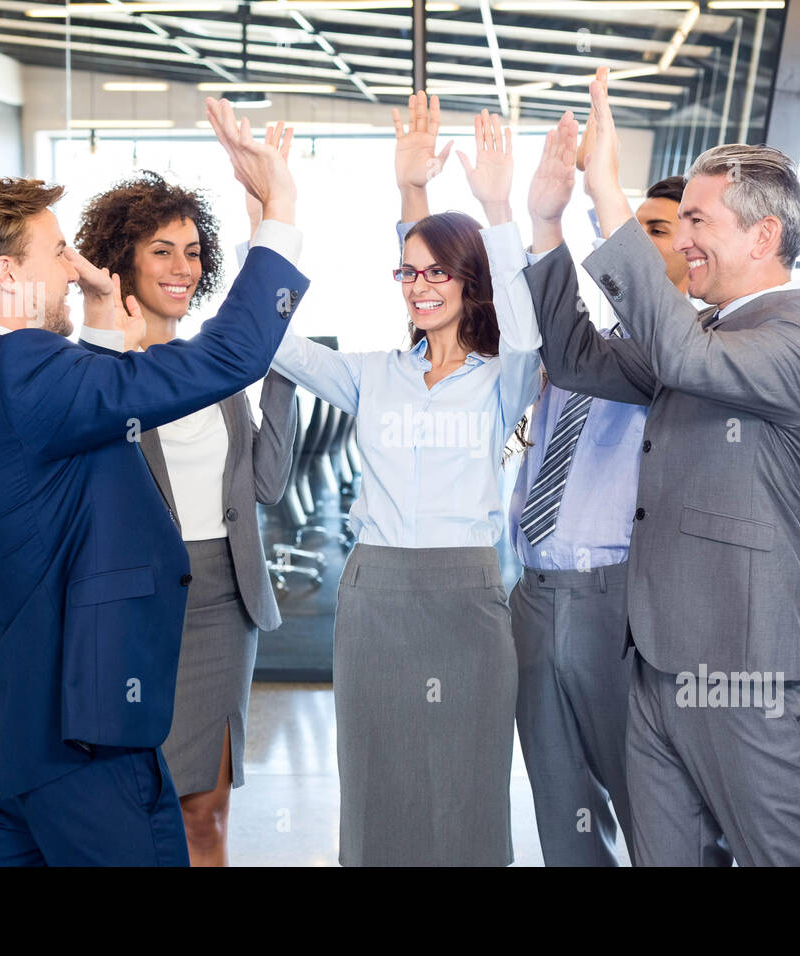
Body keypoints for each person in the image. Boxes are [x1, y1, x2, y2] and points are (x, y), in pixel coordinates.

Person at [0, 99, 308, 865]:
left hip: (4, 732)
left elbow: (84, 433)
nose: (75, 265)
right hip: (84, 733)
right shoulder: (29, 373)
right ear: (7, 272)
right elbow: (227, 359)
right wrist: (278, 210)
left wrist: (93, 322)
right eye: (57, 253)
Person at [524, 70, 800, 866]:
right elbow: (573, 359)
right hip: (657, 668)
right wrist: (545, 224)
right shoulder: (697, 333)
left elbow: (681, 353)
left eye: (695, 222)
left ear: (763, 236)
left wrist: (609, 195)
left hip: (748, 674)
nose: (679, 242)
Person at [246, 93, 542, 866]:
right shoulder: (369, 376)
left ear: (469, 279)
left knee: (471, 786)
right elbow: (272, 341)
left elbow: (527, 319)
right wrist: (269, 215)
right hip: (375, 594)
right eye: (407, 272)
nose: (418, 285)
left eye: (437, 272)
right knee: (376, 785)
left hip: (469, 597)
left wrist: (498, 206)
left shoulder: (504, 377)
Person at [475, 125, 692, 863]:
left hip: (614, 599)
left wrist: (555, 223)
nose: (619, 234)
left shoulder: (685, 348)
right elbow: (521, 319)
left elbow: (568, 351)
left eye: (650, 227)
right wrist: (521, 214)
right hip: (534, 592)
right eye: (609, 222)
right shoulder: (580, 340)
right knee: (560, 800)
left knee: (647, 801)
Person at [72, 165, 298, 867]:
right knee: (139, 807)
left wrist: (282, 369)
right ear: (123, 265)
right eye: (161, 250)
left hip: (224, 604)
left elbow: (267, 483)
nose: (182, 265)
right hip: (138, 609)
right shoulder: (100, 372)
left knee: (206, 814)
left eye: (193, 250)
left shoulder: (214, 366)